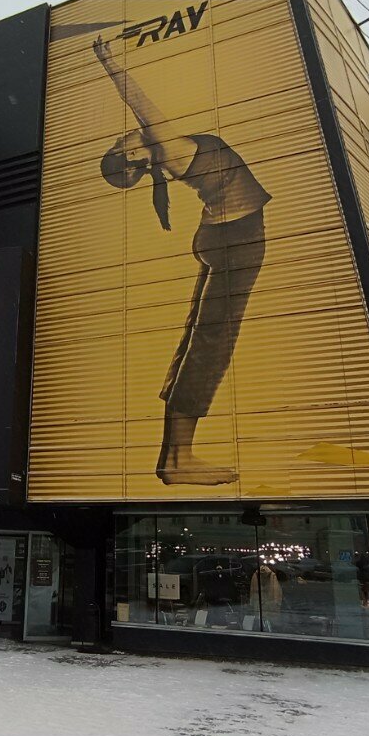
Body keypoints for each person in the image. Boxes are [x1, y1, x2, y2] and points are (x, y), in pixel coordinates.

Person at [92, 36, 270, 485]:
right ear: (132, 155)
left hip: (224, 237)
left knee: (202, 341)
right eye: (122, 142)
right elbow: (139, 102)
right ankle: (176, 459)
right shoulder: (166, 147)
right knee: (209, 346)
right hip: (234, 241)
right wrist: (110, 62)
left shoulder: (168, 156)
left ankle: (176, 455)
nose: (125, 134)